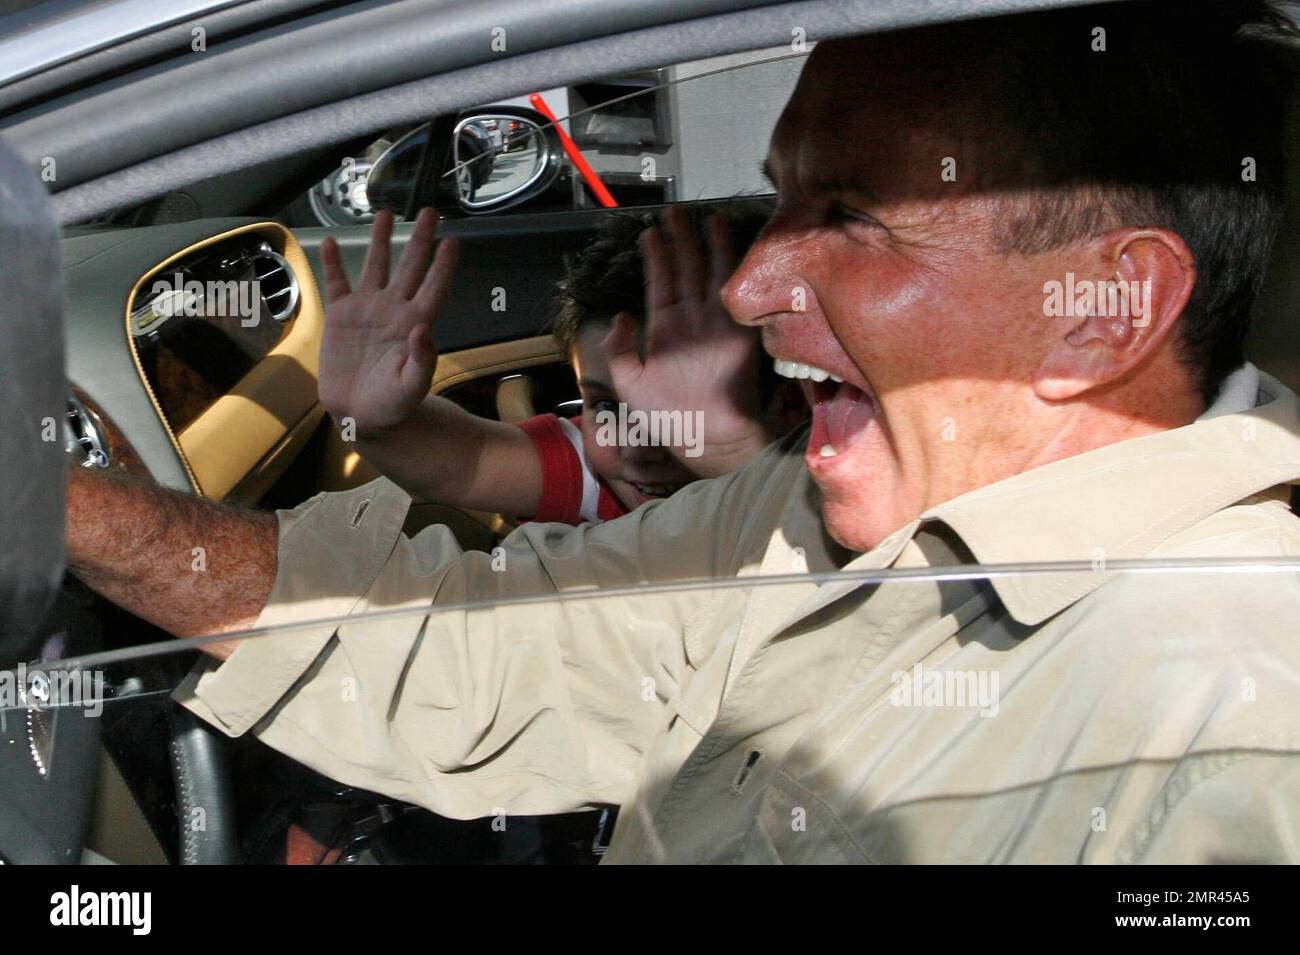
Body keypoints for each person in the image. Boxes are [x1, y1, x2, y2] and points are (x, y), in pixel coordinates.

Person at [67, 0, 1300, 862]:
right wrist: (72, 508)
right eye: (779, 201)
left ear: (1106, 311)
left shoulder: (1239, 729)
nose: (757, 282)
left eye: (854, 215)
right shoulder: (806, 511)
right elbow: (475, 650)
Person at [318, 203, 800, 526]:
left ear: (793, 402)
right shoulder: (599, 477)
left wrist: (743, 465)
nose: (637, 445)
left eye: (687, 405)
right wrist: (375, 423)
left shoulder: (830, 484)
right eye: (606, 407)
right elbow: (466, 462)